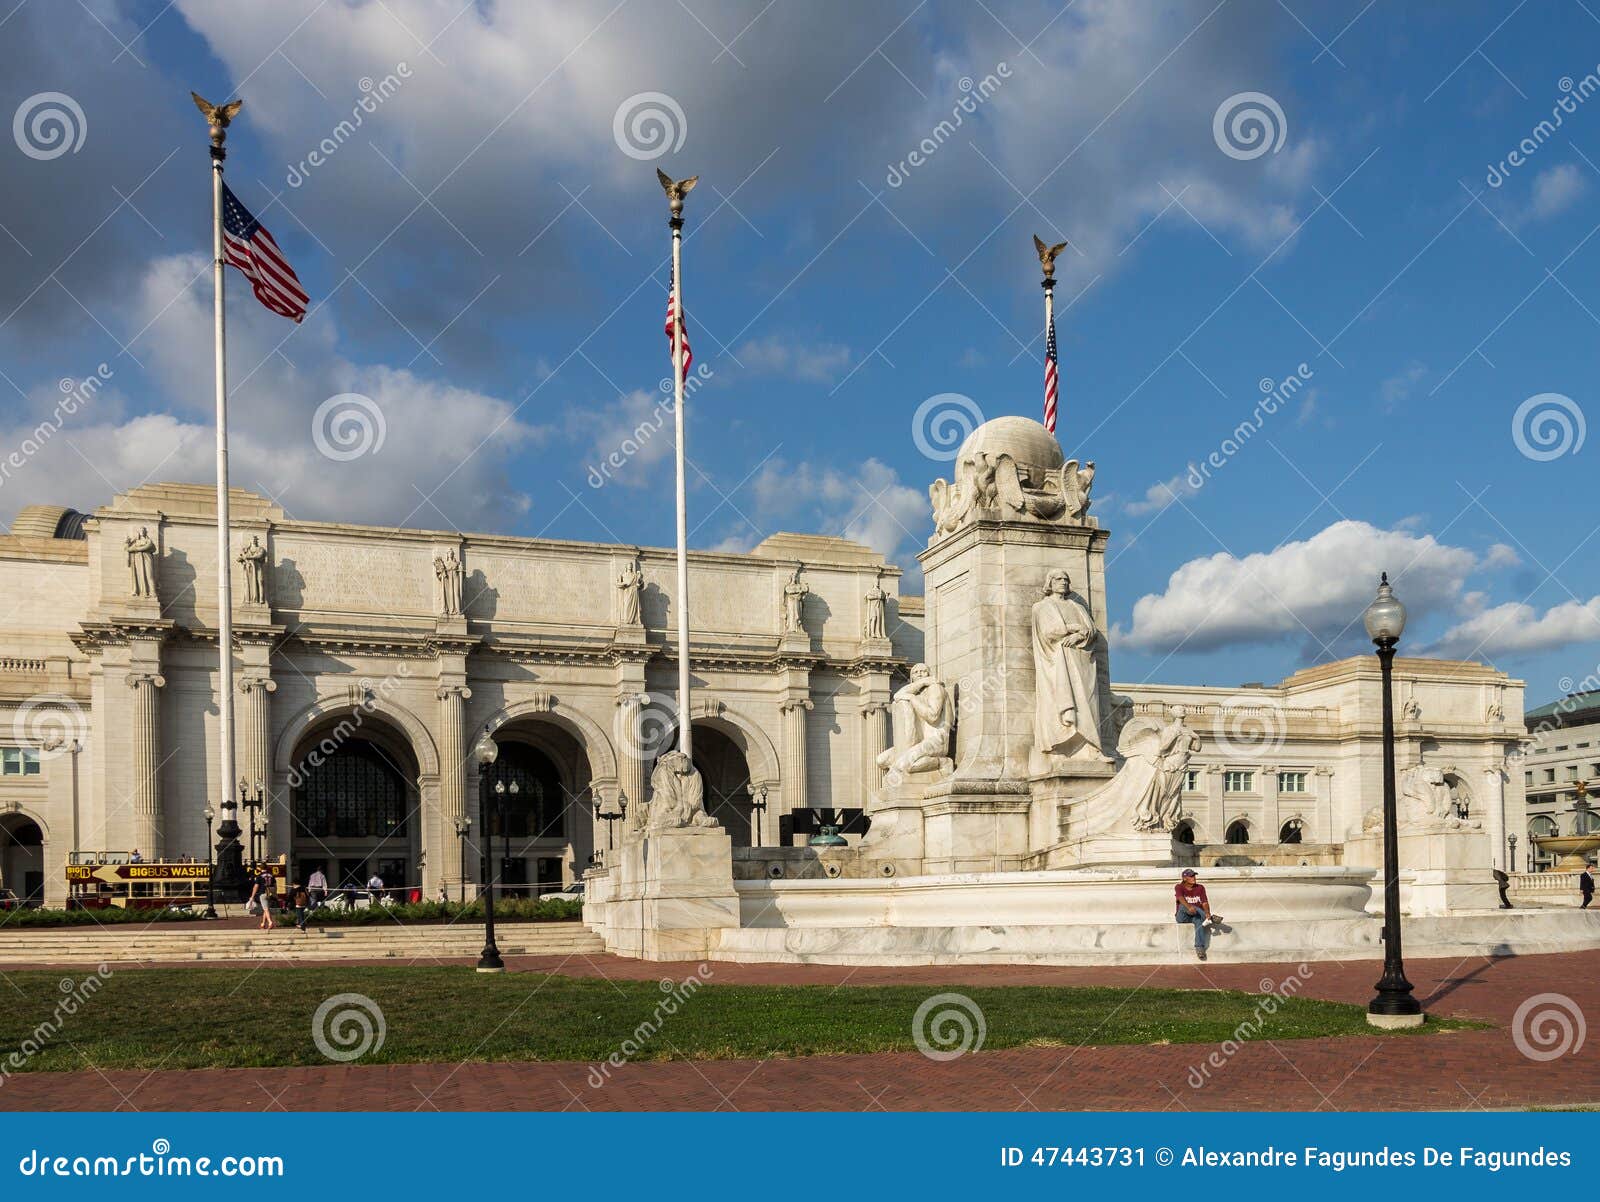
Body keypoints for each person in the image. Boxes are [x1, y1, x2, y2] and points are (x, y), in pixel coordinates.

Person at [1174, 868, 1215, 960]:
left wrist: (1207, 912)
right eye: (1191, 876)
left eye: (1194, 875)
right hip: (1182, 916)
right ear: (1184, 878)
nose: (1194, 877)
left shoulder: (1200, 887)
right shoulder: (1179, 887)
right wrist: (1189, 907)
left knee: (1199, 921)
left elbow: (1204, 902)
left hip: (1195, 915)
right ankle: (1210, 918)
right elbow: (1180, 898)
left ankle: (1200, 948)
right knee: (1183, 905)